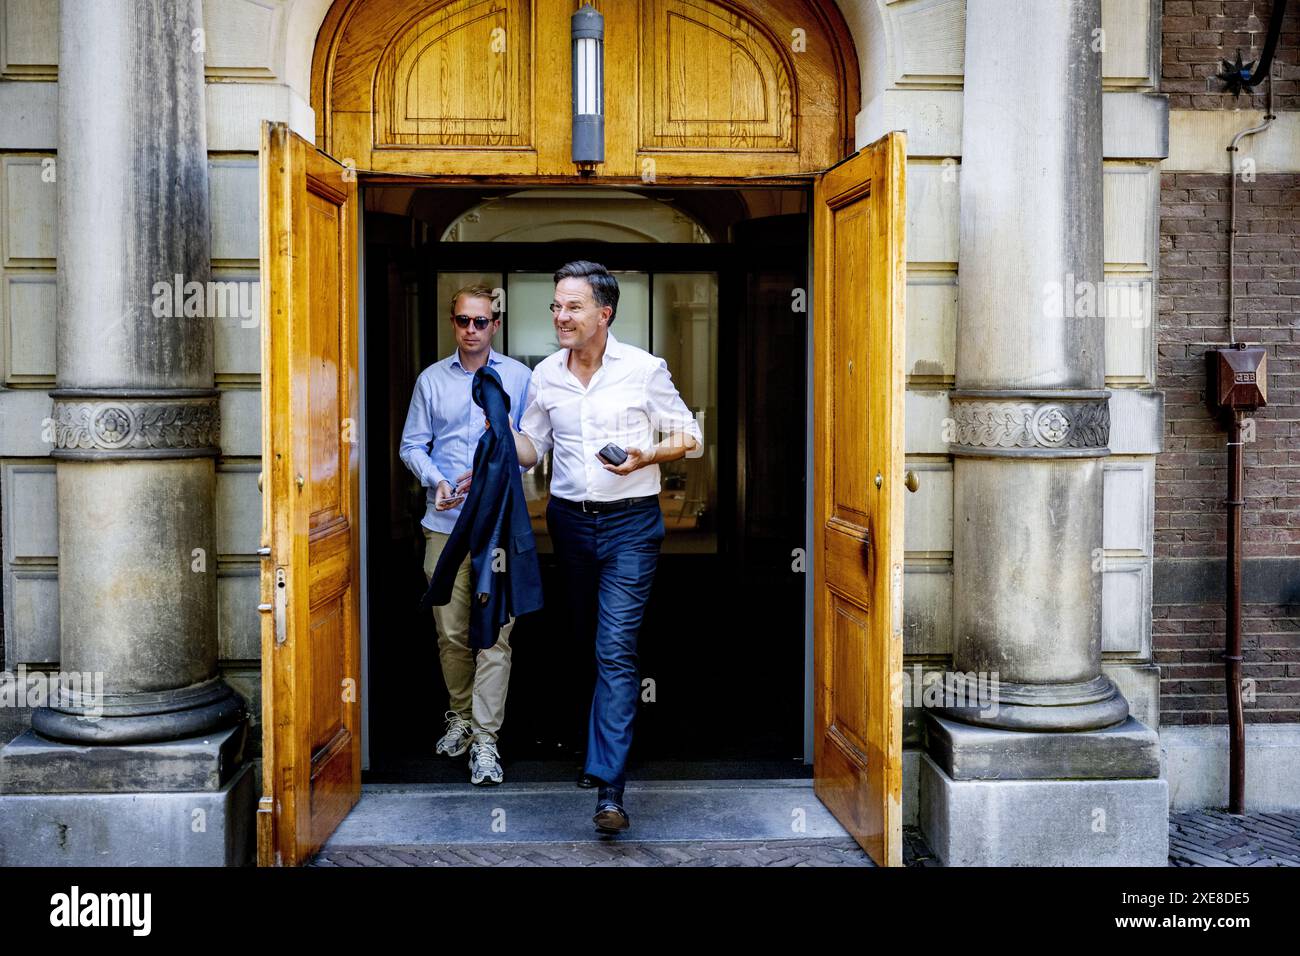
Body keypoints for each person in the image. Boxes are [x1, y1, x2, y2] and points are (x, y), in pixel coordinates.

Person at [503, 260, 702, 832]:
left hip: (632, 525)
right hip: (569, 524)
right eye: (556, 306)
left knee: (615, 649)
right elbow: (531, 449)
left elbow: (689, 435)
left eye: (572, 307)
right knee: (587, 638)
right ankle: (594, 754)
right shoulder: (545, 374)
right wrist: (497, 425)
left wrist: (645, 457)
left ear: (603, 313)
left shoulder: (643, 370)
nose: (560, 316)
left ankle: (610, 790)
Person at [399, 284, 531, 785]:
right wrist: (439, 480)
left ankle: (486, 739)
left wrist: (497, 463)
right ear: (452, 323)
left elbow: (535, 444)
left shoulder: (518, 378)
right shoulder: (432, 381)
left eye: (481, 321)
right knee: (451, 634)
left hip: (498, 530)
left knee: (495, 637)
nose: (471, 329)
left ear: (495, 324)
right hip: (445, 526)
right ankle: (460, 715)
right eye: (462, 321)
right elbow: (412, 445)